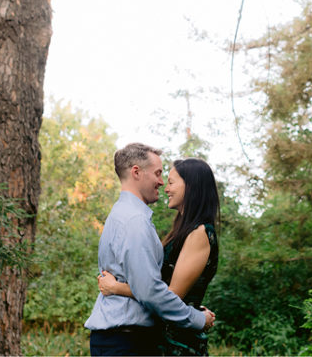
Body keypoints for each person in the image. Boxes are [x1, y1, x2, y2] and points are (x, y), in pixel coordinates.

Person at [84, 143, 216, 356]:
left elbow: (155, 286)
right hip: (126, 341)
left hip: (122, 338)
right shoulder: (135, 221)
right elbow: (150, 291)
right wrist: (197, 319)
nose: (162, 182)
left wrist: (117, 287)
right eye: (158, 174)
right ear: (136, 172)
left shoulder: (122, 214)